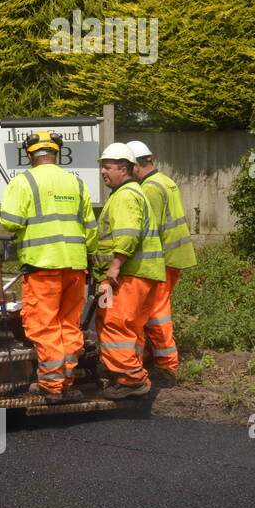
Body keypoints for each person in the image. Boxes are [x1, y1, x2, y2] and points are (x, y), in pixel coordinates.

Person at [0, 131, 97, 399]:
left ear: (30, 155)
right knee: (68, 326)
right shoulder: (76, 183)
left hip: (43, 265)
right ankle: (66, 382)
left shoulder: (23, 182)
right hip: (75, 266)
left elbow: (10, 221)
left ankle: (51, 386)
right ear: (56, 153)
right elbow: (91, 229)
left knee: (45, 326)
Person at [91, 142, 165, 399]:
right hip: (141, 275)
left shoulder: (124, 196)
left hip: (124, 276)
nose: (103, 172)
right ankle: (129, 373)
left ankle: (131, 379)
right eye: (102, 167)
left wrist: (114, 266)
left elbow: (128, 234)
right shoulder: (133, 192)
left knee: (113, 323)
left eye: (107, 167)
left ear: (124, 169)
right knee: (131, 327)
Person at [127, 140, 196, 377]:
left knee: (156, 312)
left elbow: (149, 229)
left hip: (162, 258)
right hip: (174, 256)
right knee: (154, 310)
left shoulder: (149, 188)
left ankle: (167, 365)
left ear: (136, 165)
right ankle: (152, 356)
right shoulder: (165, 180)